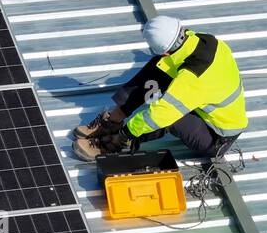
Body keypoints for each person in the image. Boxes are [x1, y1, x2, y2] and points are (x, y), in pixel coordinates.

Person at [71, 15, 247, 162]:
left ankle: (115, 144)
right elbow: (166, 61)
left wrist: (125, 133)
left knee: (167, 116)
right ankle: (114, 118)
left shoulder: (192, 78)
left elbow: (160, 114)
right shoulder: (203, 40)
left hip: (217, 137)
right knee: (159, 66)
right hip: (203, 103)